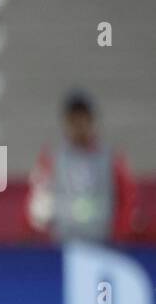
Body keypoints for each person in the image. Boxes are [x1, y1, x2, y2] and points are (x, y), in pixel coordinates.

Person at [26, 90, 136, 244]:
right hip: (62, 244)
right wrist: (43, 238)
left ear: (91, 120)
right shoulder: (51, 160)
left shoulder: (111, 159)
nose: (78, 125)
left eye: (82, 119)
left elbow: (127, 199)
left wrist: (119, 235)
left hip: (102, 242)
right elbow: (38, 204)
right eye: (73, 120)